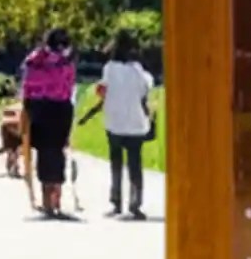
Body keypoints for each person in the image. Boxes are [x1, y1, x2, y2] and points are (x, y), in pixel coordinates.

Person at [78, 30, 154, 219]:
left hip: (114, 121)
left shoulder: (109, 68)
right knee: (135, 165)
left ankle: (116, 202)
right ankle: (135, 204)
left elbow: (103, 90)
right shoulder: (138, 70)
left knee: (116, 164)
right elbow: (145, 90)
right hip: (135, 123)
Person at [21, 28, 77, 217]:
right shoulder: (65, 62)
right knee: (58, 151)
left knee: (44, 152)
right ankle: (57, 199)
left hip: (39, 108)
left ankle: (46, 201)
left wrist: (27, 108)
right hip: (61, 108)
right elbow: (69, 86)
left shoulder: (34, 60)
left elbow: (27, 85)